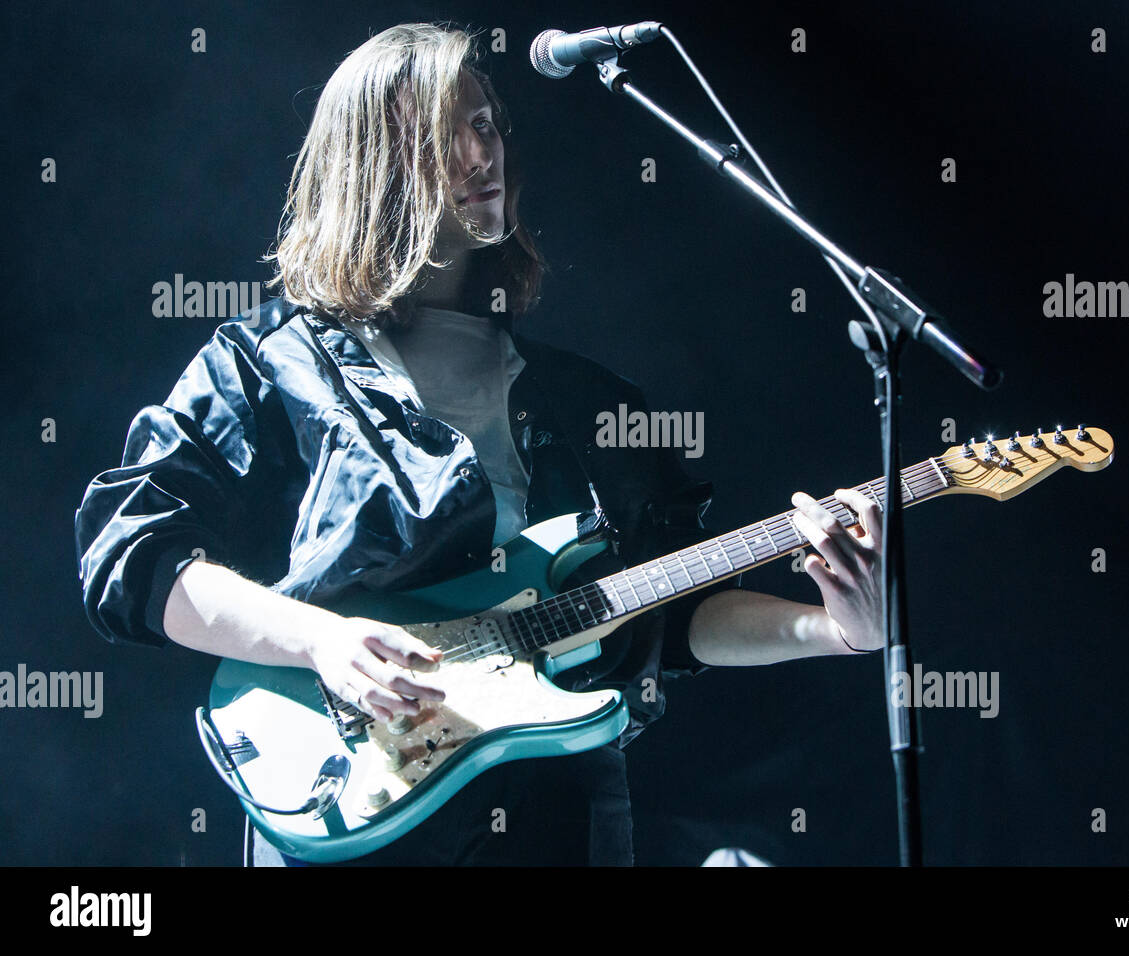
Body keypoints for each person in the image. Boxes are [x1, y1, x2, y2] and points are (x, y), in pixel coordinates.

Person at [74, 22, 884, 867]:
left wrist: (839, 629)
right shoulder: (271, 366)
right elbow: (133, 556)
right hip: (351, 798)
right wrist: (319, 639)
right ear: (374, 155)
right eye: (449, 127)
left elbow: (669, 618)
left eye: (490, 123)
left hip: (554, 806)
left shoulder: (584, 400)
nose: (483, 149)